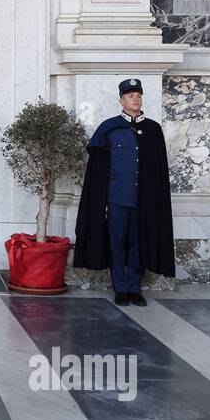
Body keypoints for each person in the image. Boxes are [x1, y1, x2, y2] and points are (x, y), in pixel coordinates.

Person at [74, 77, 175, 305]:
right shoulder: (109, 129)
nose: (135, 99)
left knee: (139, 243)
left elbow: (158, 170)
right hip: (117, 198)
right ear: (121, 101)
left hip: (143, 199)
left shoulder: (153, 130)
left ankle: (134, 288)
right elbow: (99, 170)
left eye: (138, 96)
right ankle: (120, 287)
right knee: (117, 242)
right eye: (130, 96)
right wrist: (102, 200)